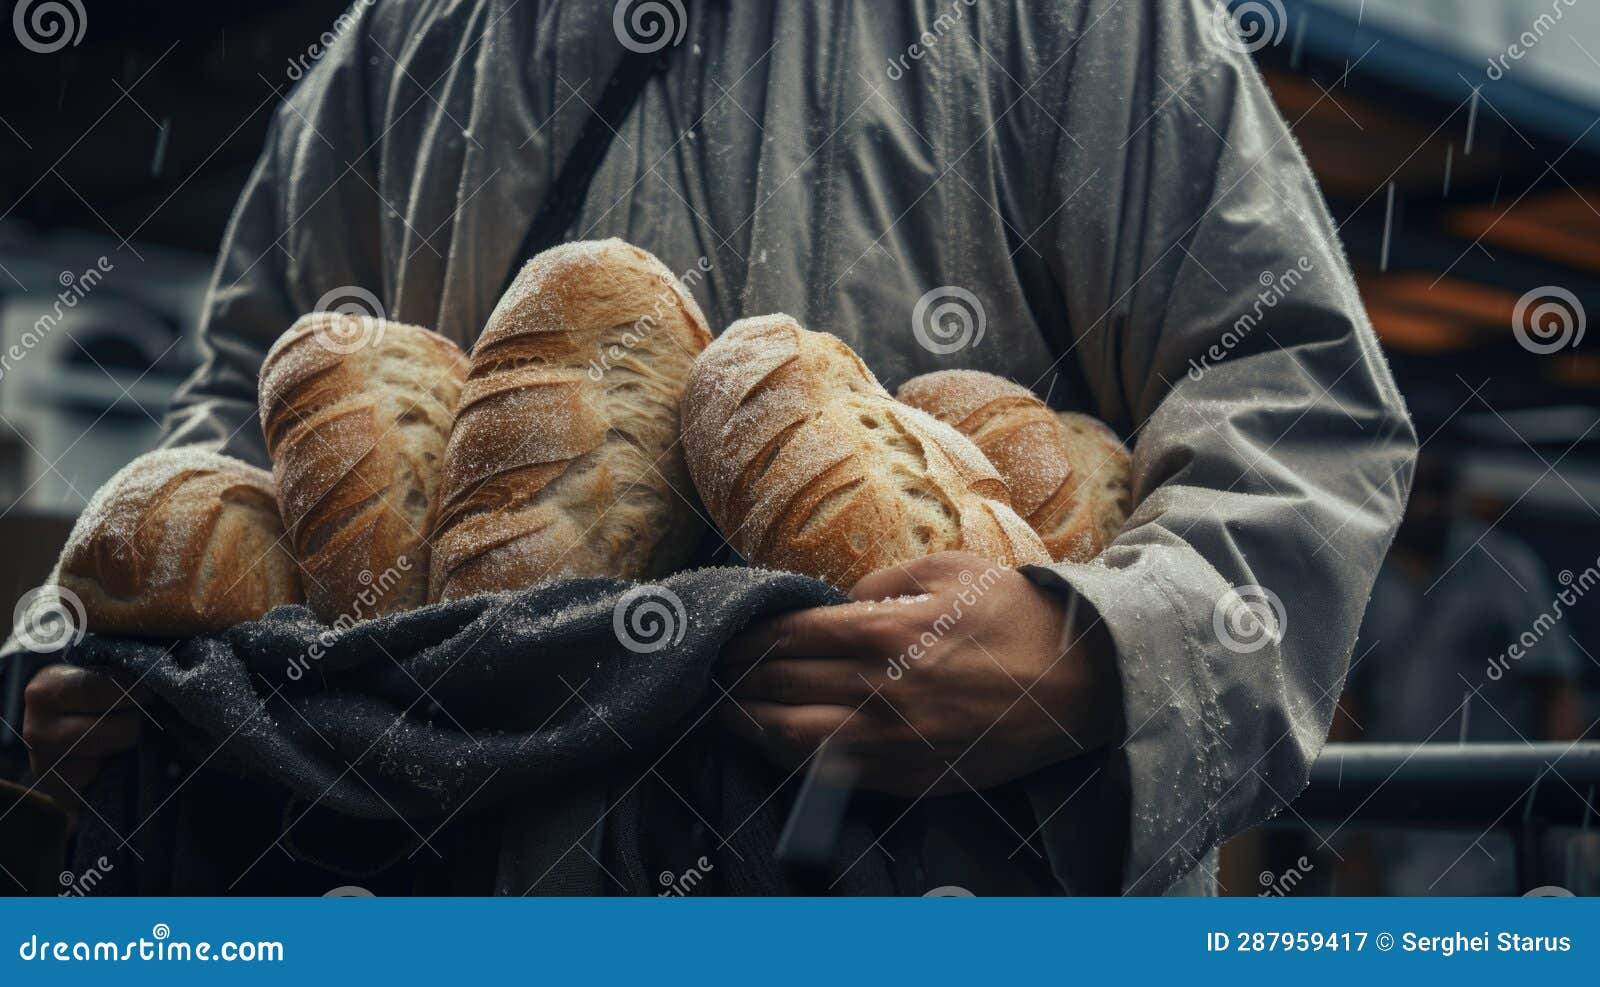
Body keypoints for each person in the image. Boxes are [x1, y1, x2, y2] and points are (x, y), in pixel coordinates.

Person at [14, 0, 1415, 894]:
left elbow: (1298, 406)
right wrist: (160, 674)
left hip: (935, 885)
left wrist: (1096, 649)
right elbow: (241, 412)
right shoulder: (399, 44)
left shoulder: (1081, 27)